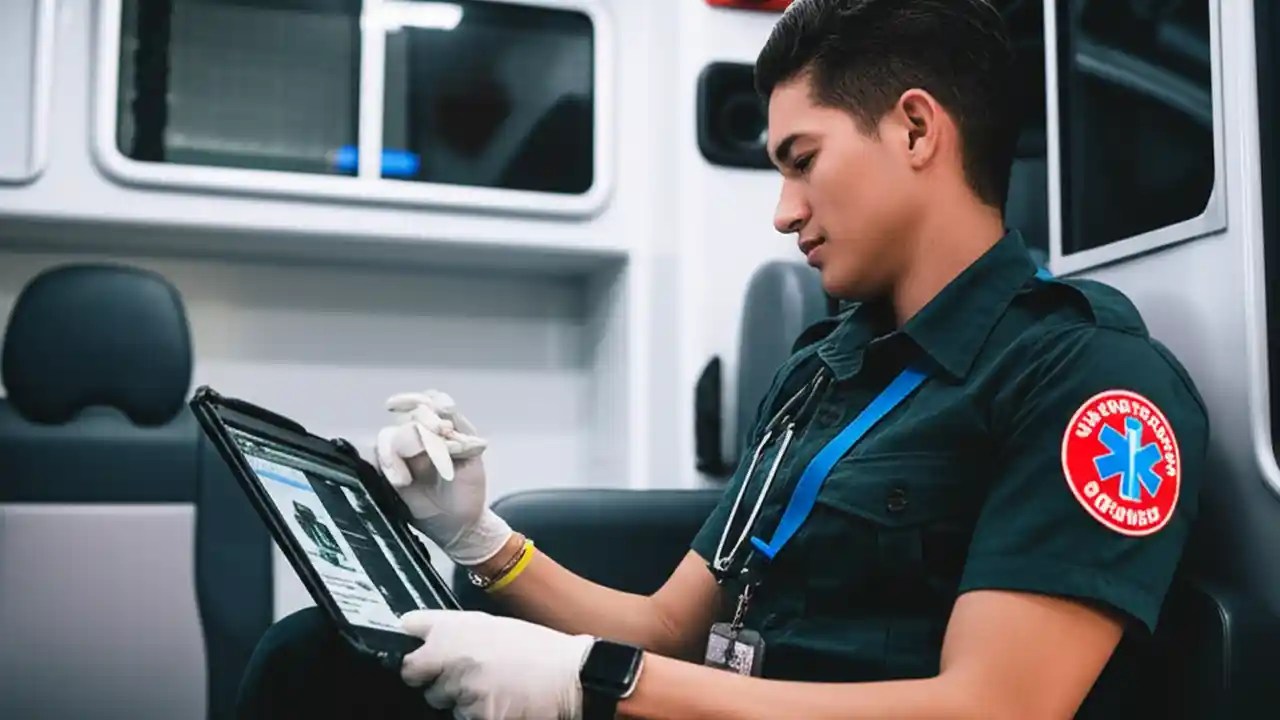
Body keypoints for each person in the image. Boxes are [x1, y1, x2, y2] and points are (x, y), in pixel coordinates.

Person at [237, 1, 1208, 718]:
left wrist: (594, 686)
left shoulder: (1086, 382)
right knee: (325, 658)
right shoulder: (821, 370)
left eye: (800, 159)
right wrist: (476, 540)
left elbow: (993, 709)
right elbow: (669, 628)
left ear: (915, 129)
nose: (782, 211)